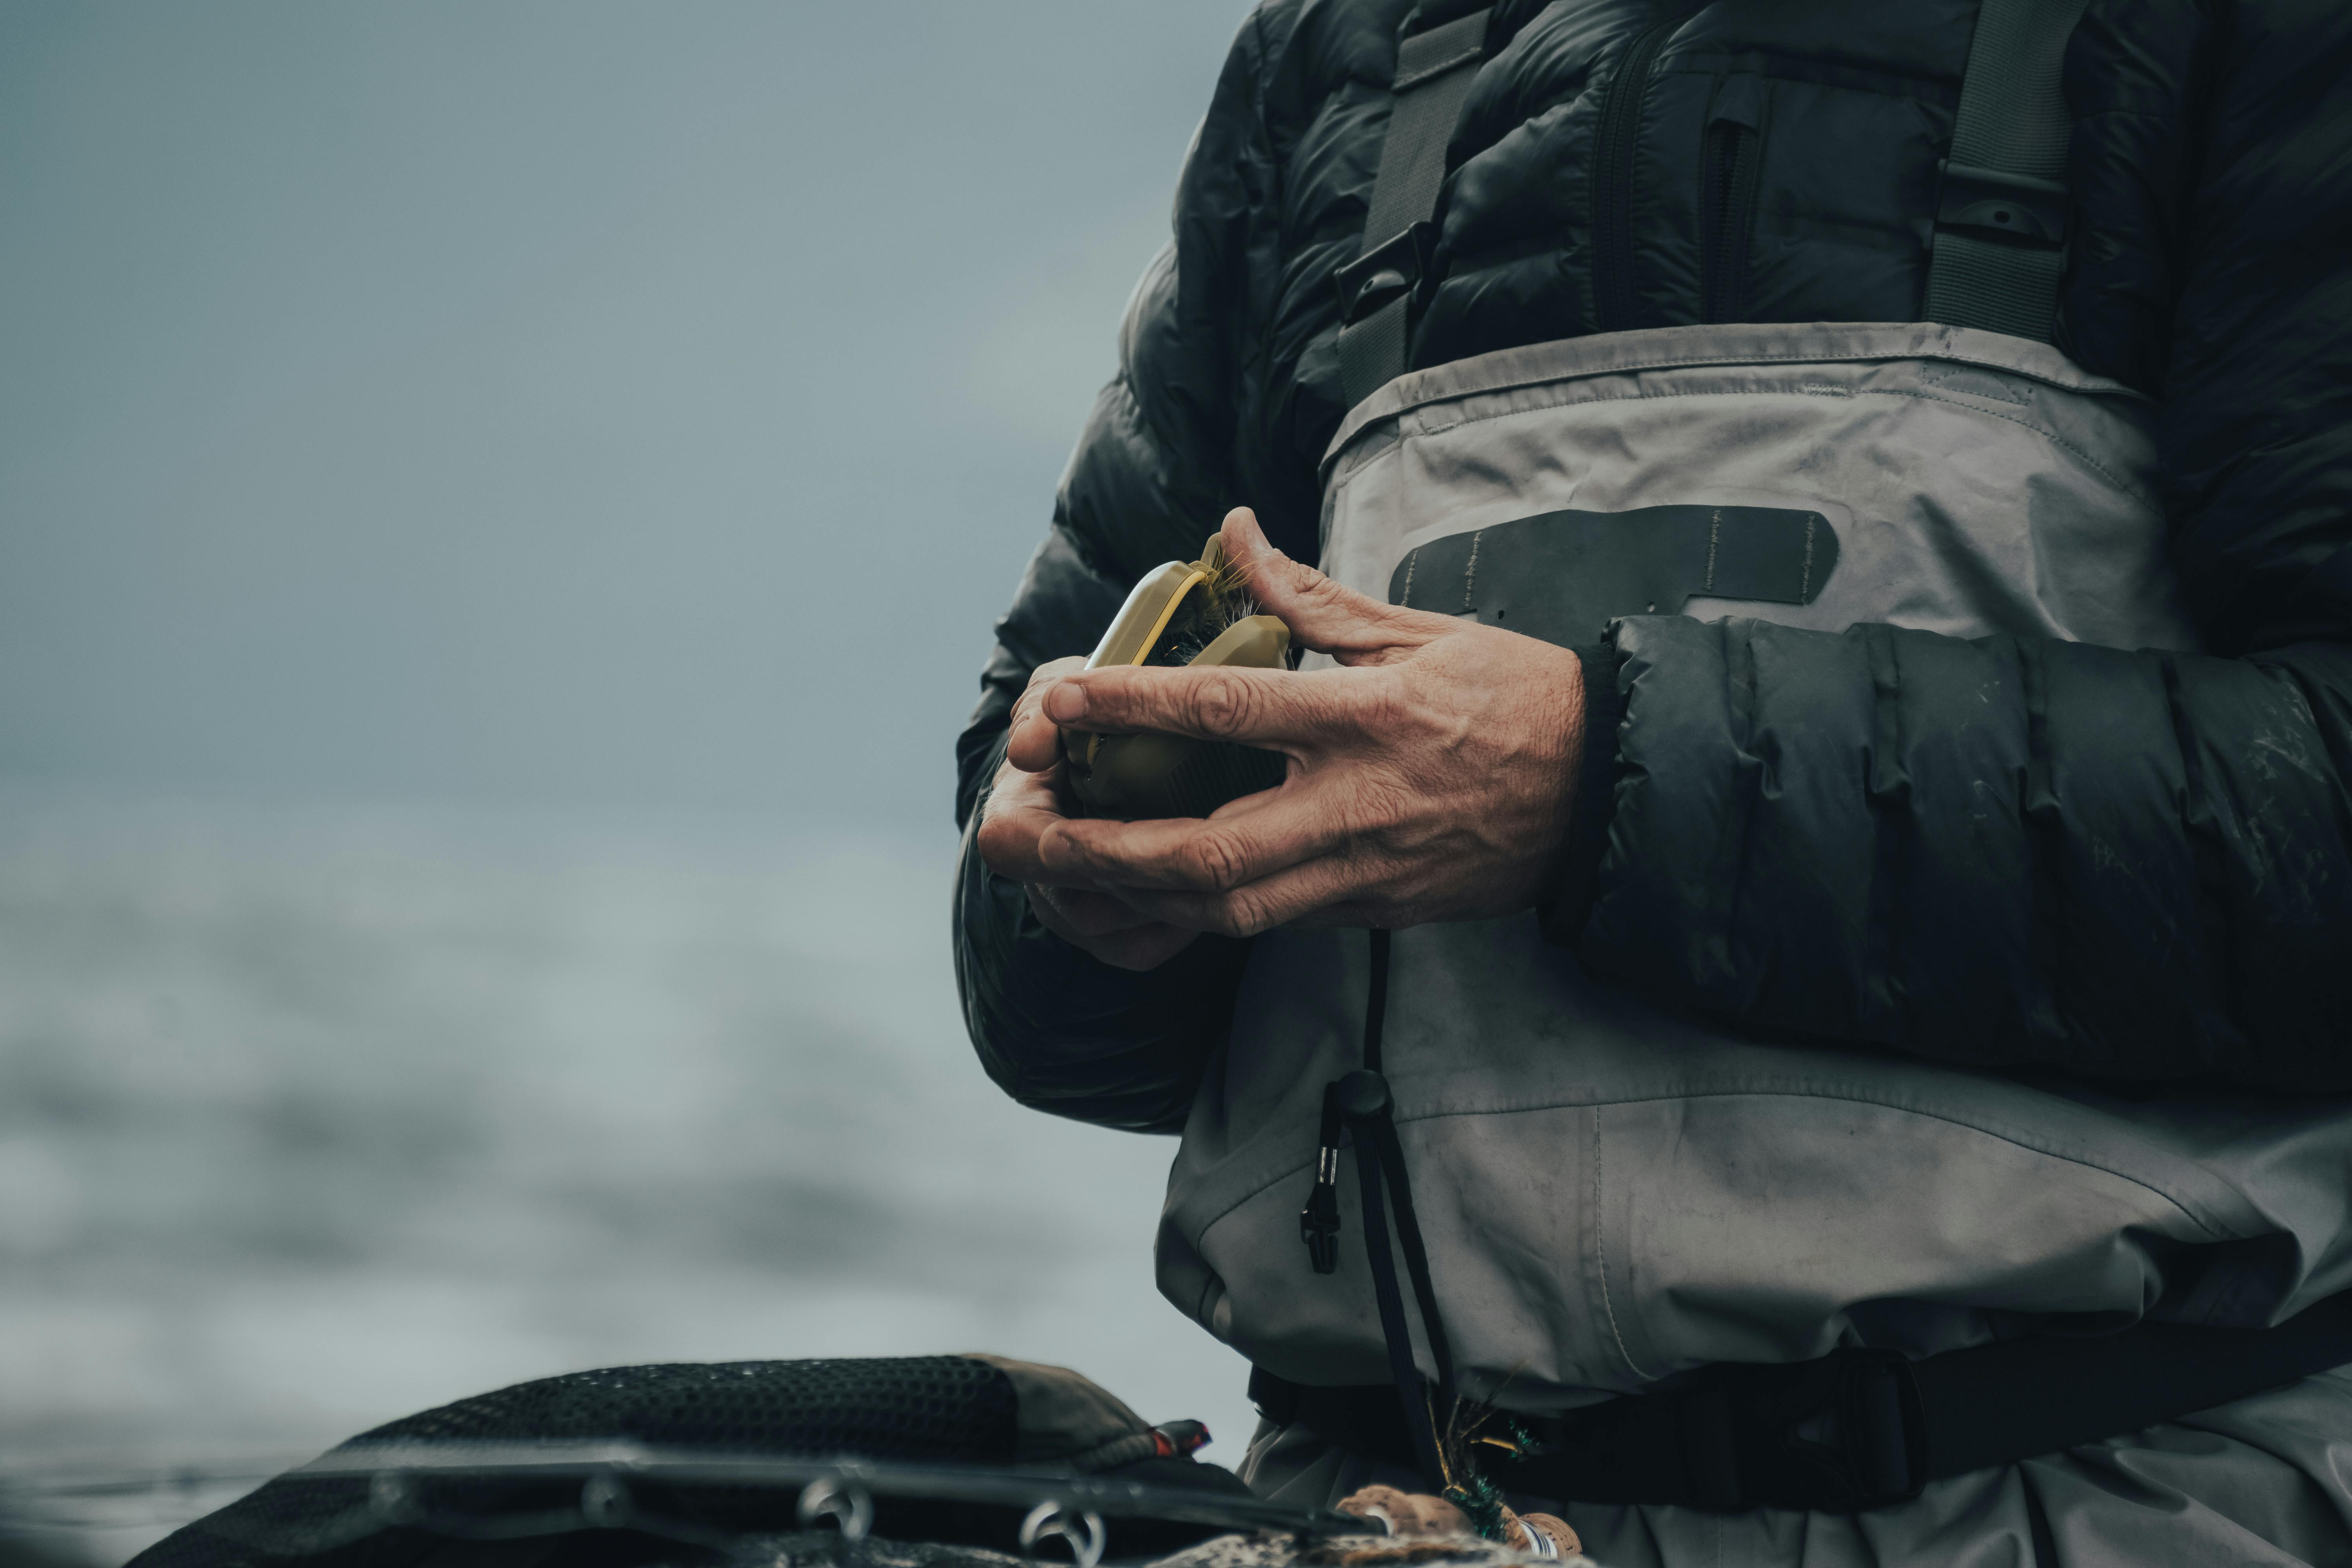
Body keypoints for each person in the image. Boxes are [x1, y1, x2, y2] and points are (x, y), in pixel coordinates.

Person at [952, 0, 2352, 1563]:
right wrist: (1083, 900)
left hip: (2106, 1506)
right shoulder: (1325, 57)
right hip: (1378, 1519)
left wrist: (1599, 779)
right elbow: (1039, 977)